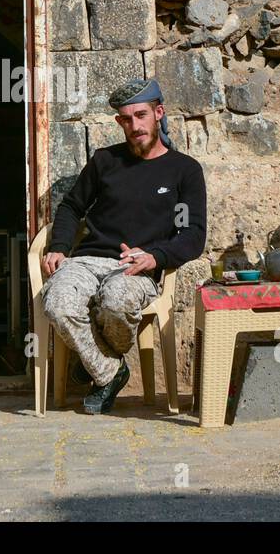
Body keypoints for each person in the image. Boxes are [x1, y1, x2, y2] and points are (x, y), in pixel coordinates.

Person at [41, 78, 207, 414]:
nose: (135, 126)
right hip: (88, 260)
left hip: (137, 266)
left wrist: (155, 257)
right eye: (127, 119)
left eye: (141, 116)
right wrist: (59, 246)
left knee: (117, 300)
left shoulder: (183, 171)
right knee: (57, 302)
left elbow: (191, 234)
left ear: (158, 114)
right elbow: (72, 207)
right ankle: (109, 370)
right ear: (120, 122)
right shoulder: (105, 162)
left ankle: (90, 362)